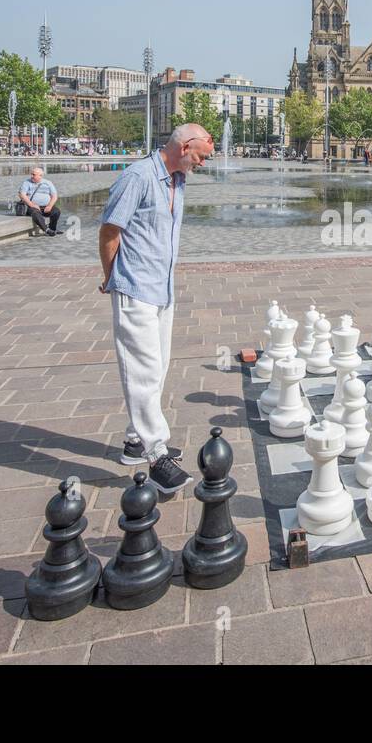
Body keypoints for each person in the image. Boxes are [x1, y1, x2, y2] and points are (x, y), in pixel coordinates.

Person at [99, 122, 216, 495]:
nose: (202, 164)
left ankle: (135, 441)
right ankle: (155, 453)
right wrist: (111, 277)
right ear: (183, 147)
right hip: (134, 286)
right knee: (144, 370)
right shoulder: (138, 177)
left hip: (161, 288)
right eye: (200, 157)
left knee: (158, 366)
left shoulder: (177, 180)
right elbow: (110, 230)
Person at [18, 167, 61, 236]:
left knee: (56, 211)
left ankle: (52, 229)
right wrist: (32, 205)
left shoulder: (48, 183)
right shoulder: (27, 182)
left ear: (40, 176)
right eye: (31, 174)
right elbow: (22, 195)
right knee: (35, 213)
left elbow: (54, 196)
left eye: (34, 174)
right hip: (32, 207)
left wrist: (50, 206)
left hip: (46, 207)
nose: (31, 176)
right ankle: (46, 230)